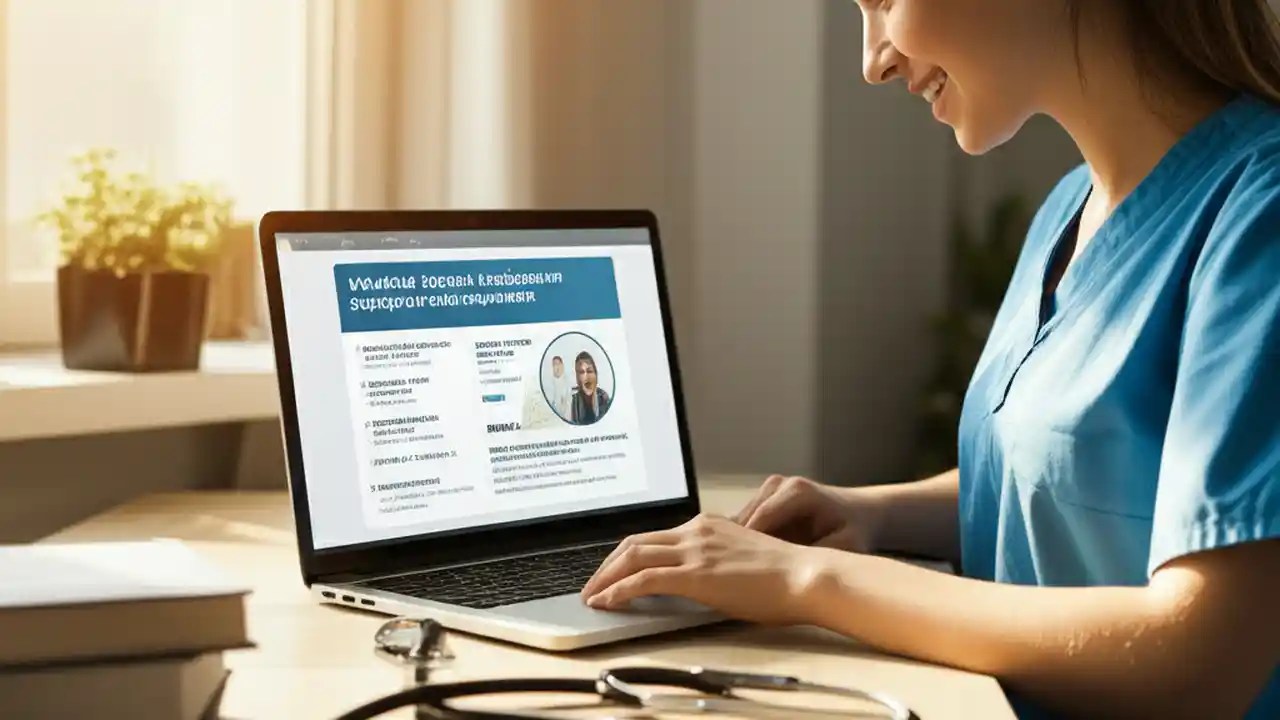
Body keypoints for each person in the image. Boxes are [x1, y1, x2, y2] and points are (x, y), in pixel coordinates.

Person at [581, 1, 1280, 718]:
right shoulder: (1070, 209)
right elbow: (1086, 477)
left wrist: (808, 580)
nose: (872, 59)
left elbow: (1202, 660)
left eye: (885, 2)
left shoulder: (1262, 216)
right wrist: (876, 514)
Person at [570, 351, 610, 425]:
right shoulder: (574, 401)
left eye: (590, 371)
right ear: (577, 378)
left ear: (596, 375)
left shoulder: (603, 397)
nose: (586, 376)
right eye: (581, 372)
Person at [547, 355, 573, 420]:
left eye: (558, 364)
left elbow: (568, 404)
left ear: (562, 366)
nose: (557, 367)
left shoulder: (567, 383)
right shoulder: (549, 383)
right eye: (554, 365)